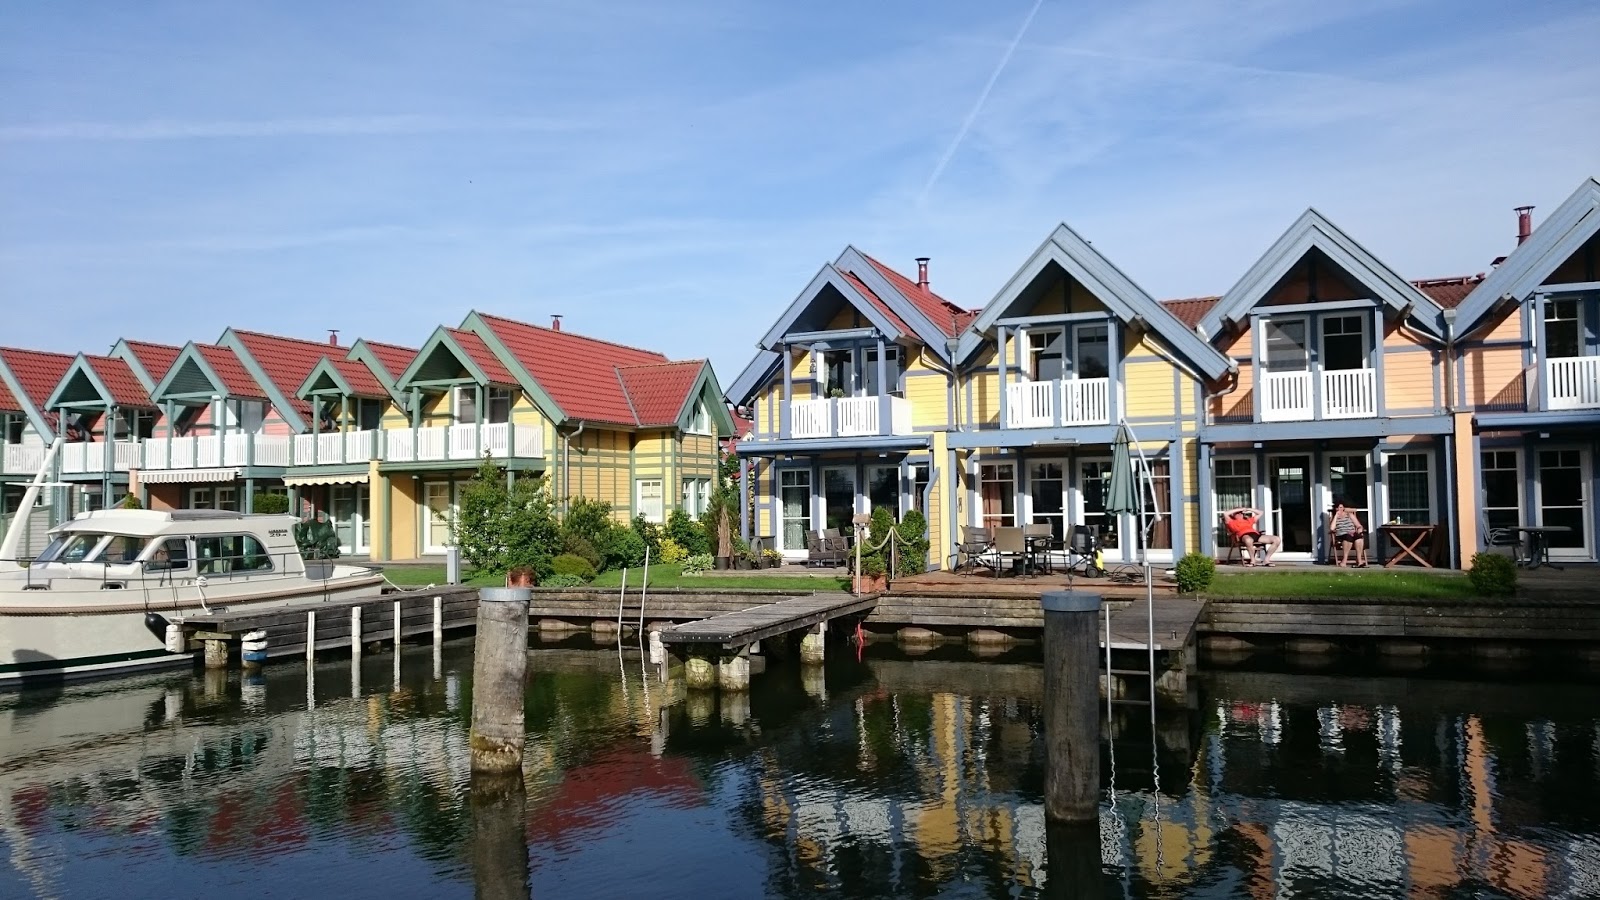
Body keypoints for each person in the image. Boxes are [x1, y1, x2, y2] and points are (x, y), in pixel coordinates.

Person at [1330, 497, 1367, 568]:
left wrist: (1359, 529)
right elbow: (1332, 528)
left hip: (1352, 533)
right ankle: (1344, 561)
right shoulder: (1334, 517)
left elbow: (1358, 525)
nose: (1339, 509)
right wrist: (1336, 516)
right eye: (1337, 508)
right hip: (1341, 534)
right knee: (1348, 537)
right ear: (1335, 509)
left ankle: (1359, 560)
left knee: (1359, 537)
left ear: (1344, 508)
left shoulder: (1349, 515)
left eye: (1341, 507)